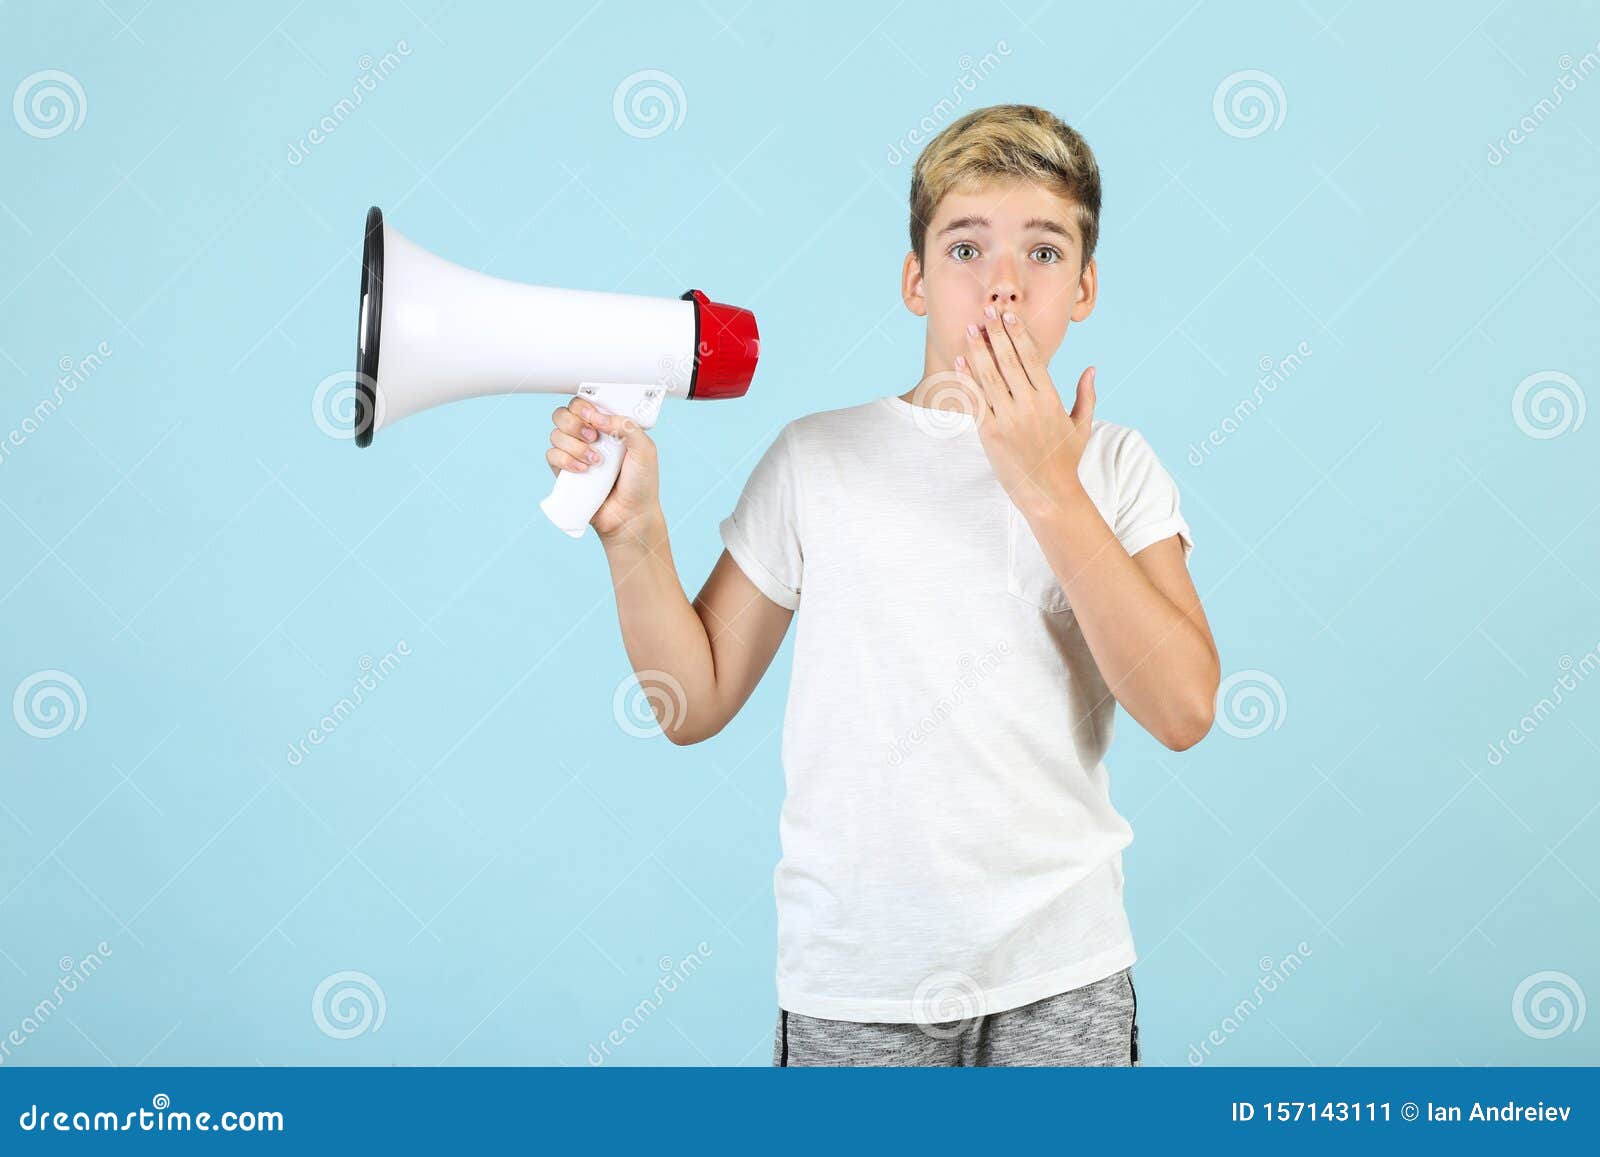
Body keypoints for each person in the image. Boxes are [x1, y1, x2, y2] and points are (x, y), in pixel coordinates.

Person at [544, 104, 1220, 1066]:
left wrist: (1049, 488)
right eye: (964, 248)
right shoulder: (818, 459)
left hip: (1058, 972)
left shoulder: (1112, 467)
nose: (1001, 286)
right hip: (855, 977)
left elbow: (1184, 705)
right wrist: (633, 533)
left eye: (1042, 252)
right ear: (915, 280)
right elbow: (689, 702)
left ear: (1085, 287)